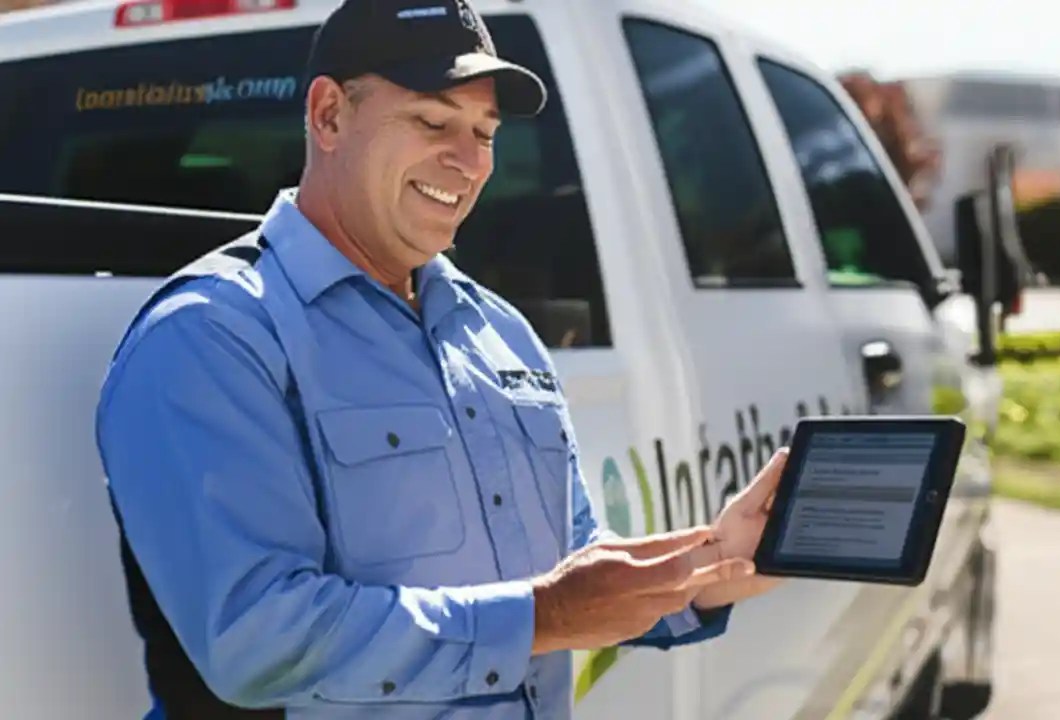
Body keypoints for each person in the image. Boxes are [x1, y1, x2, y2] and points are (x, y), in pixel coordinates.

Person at [94, 0, 786, 717]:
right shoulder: (212, 334)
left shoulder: (499, 332)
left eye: (485, 133)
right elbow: (259, 638)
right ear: (329, 115)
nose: (470, 161)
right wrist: (542, 617)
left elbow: (572, 572)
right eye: (433, 123)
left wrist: (711, 565)